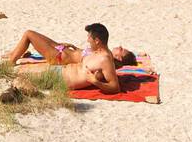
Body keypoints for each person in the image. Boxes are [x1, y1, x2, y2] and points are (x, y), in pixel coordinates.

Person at [7, 23, 137, 93]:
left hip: (60, 79)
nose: (87, 40)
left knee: (15, 74)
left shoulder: (105, 60)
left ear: (97, 40)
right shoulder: (97, 52)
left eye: (90, 38)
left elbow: (115, 87)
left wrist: (95, 81)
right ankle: (9, 63)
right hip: (60, 70)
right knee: (20, 70)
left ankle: (5, 67)